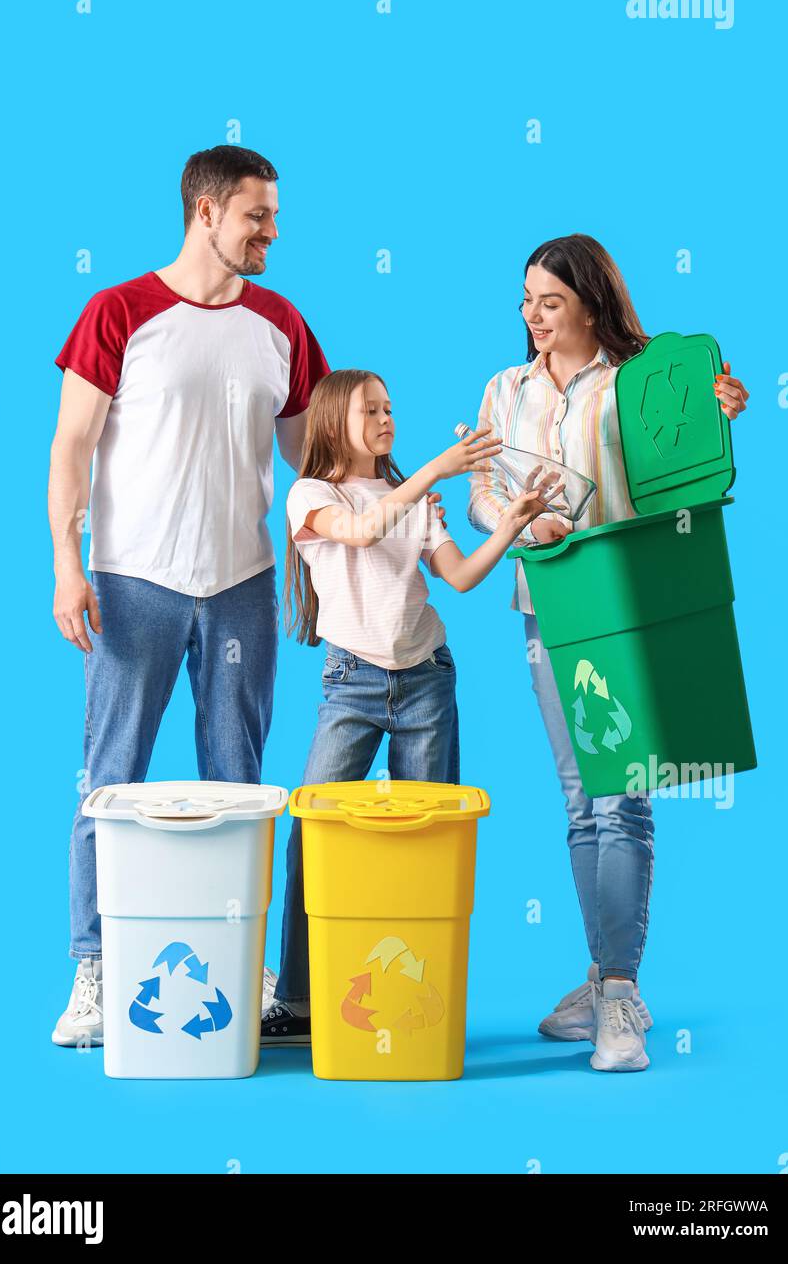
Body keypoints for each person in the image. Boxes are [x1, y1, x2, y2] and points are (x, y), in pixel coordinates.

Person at [47, 145, 333, 1047]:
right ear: (206, 212)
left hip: (240, 581)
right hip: (135, 582)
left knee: (240, 786)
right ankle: (94, 971)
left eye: (275, 216)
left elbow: (313, 456)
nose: (272, 232)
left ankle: (241, 965)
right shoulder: (118, 312)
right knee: (109, 779)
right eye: (259, 215)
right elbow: (70, 448)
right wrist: (67, 561)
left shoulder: (281, 323)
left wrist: (395, 500)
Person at [468, 234, 749, 1073]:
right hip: (546, 606)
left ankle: (622, 995)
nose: (533, 318)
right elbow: (482, 494)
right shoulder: (504, 389)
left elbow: (687, 463)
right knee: (579, 796)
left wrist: (716, 406)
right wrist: (516, 521)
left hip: (630, 606)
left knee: (623, 794)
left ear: (591, 302)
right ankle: (601, 978)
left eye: (550, 303)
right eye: (525, 302)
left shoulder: (636, 381)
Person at [261, 368, 561, 1043]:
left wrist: (510, 524)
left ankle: (419, 995)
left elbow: (457, 577)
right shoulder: (312, 494)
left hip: (427, 679)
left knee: (428, 847)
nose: (387, 418)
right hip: (352, 683)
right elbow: (362, 532)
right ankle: (302, 1000)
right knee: (313, 834)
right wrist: (434, 471)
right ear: (336, 420)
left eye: (391, 407)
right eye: (373, 409)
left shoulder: (411, 498)